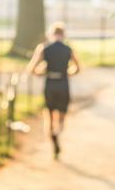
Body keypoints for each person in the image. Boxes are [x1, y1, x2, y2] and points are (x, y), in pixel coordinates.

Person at [27, 21, 80, 159]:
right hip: (63, 84)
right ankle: (58, 132)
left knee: (49, 116)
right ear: (63, 35)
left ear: (51, 34)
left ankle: (53, 139)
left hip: (50, 84)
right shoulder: (68, 49)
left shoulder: (44, 48)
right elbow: (77, 68)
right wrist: (68, 73)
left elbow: (32, 68)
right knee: (61, 116)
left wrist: (42, 72)